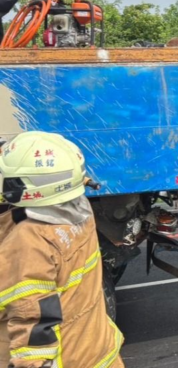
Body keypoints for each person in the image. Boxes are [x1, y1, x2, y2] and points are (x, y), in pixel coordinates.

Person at [0, 131, 124, 368]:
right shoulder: (81, 212)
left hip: (66, 359)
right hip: (97, 351)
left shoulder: (29, 241)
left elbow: (32, 318)